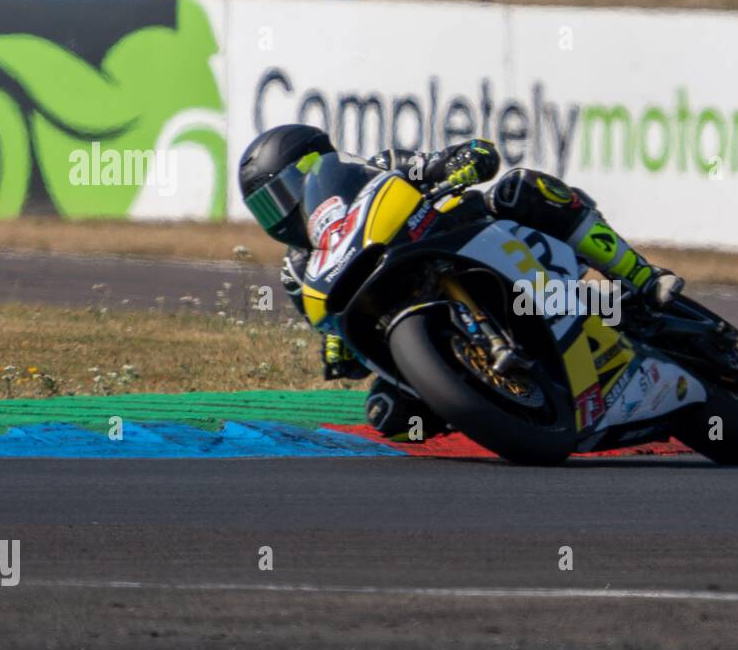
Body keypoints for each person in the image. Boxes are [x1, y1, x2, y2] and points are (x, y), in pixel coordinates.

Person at [237, 123, 684, 438]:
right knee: (387, 415)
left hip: (476, 245)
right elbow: (338, 338)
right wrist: (337, 347)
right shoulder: (297, 272)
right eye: (265, 208)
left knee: (519, 188)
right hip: (407, 309)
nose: (280, 213)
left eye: (280, 194)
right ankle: (492, 403)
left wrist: (461, 162)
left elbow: (464, 157)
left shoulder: (376, 168)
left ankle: (641, 276)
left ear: (311, 167)